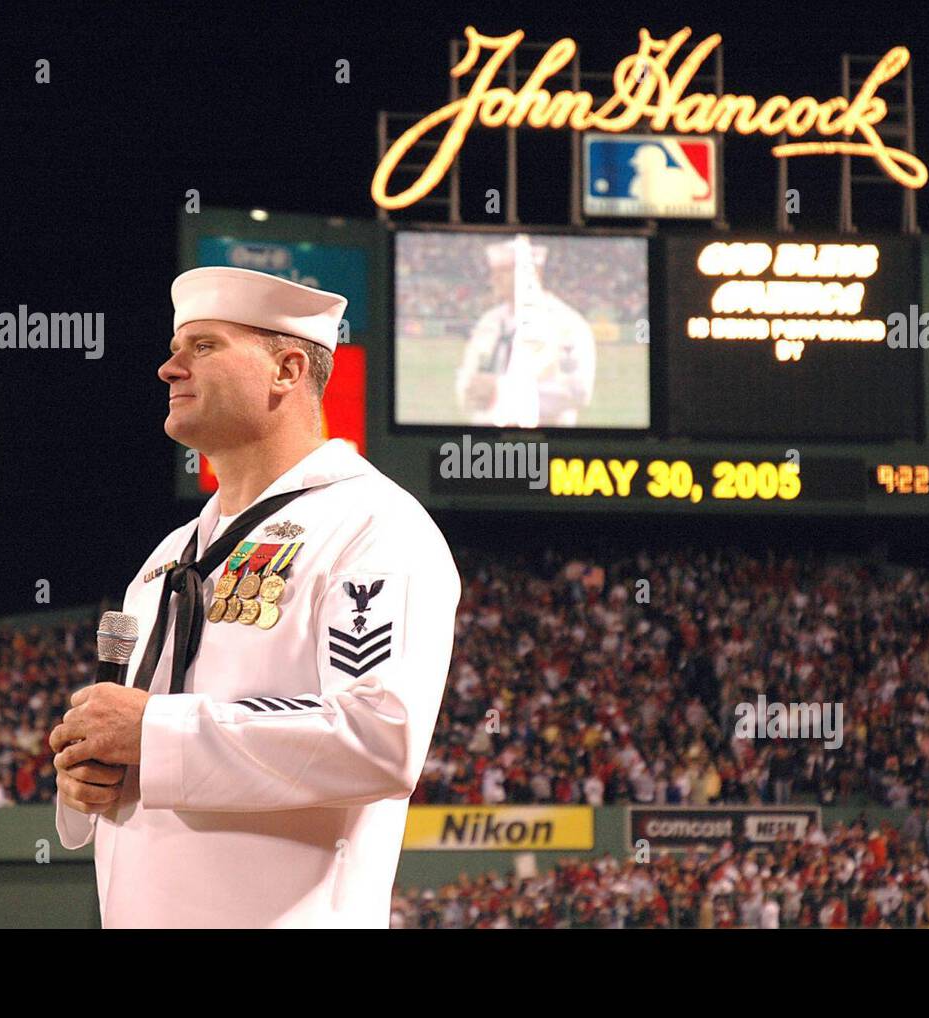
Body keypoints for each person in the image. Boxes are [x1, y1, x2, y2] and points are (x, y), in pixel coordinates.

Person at [49, 265, 461, 928]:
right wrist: (92, 777)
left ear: (287, 370)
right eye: (177, 346)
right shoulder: (165, 559)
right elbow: (147, 754)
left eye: (203, 346)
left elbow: (377, 734)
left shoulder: (373, 524)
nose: (169, 368)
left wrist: (153, 731)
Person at [454, 235, 596, 427]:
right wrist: (468, 390)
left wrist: (501, 390)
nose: (494, 279)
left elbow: (576, 391)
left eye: (504, 271)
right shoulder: (489, 323)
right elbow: (469, 376)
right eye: (493, 271)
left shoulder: (565, 324)